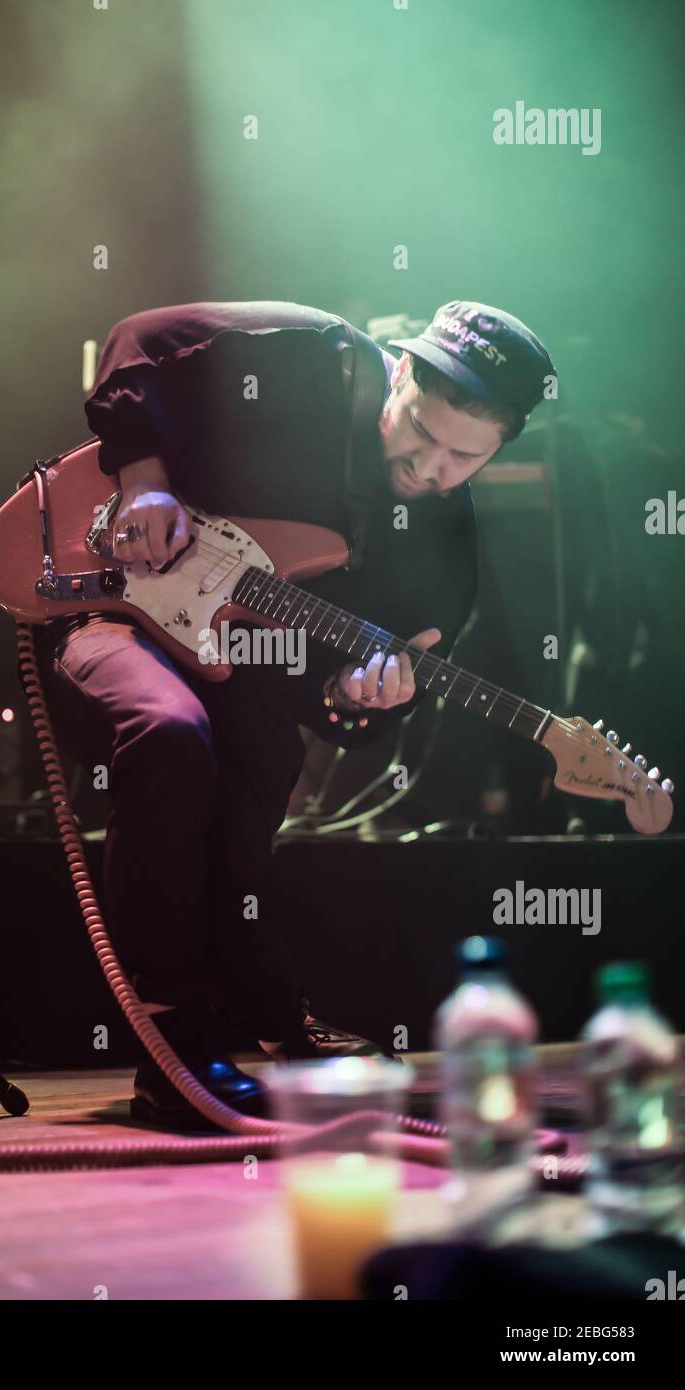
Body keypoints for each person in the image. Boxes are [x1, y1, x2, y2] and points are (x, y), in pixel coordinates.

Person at [33, 299, 555, 1127]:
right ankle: (171, 1043)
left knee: (259, 775)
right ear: (402, 373)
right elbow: (134, 340)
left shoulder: (441, 553)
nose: (430, 467)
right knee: (170, 733)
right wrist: (145, 481)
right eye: (420, 432)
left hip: (238, 668)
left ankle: (264, 1013)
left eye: (465, 456)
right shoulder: (309, 354)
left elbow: (346, 710)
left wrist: (354, 701)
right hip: (103, 596)